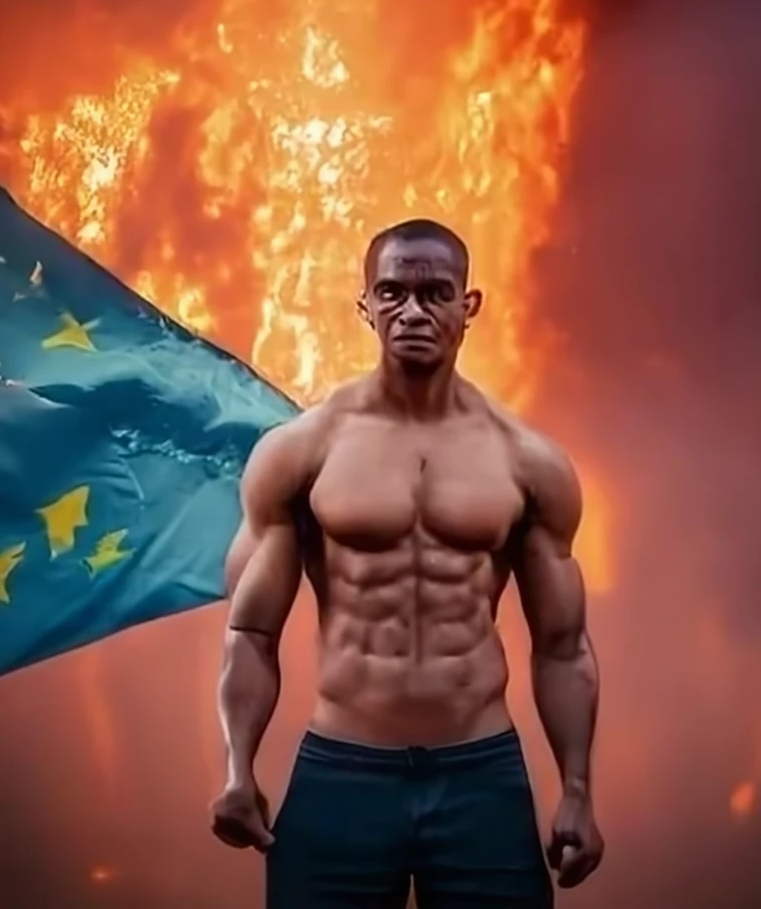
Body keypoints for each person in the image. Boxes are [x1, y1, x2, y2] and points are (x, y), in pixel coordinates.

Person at [210, 218, 603, 908]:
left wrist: (576, 790)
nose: (412, 311)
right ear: (365, 305)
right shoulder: (302, 451)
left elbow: (563, 646)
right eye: (391, 293)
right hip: (343, 772)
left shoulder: (528, 461)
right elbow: (250, 634)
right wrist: (238, 770)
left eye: (434, 293)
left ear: (467, 306)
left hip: (480, 774)